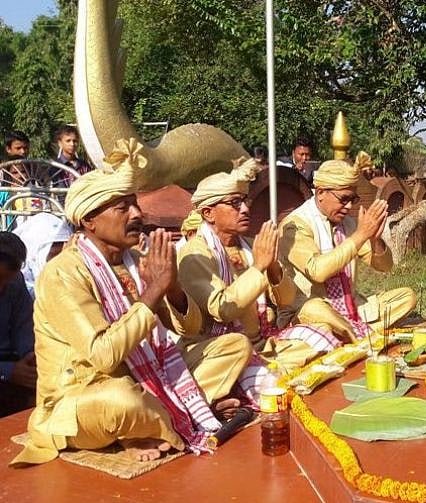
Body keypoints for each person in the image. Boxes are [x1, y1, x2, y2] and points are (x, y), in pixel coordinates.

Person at [11, 138, 253, 466]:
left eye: (134, 204)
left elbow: (190, 328)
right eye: (123, 207)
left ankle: (164, 415)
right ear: (89, 220)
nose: (137, 214)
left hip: (147, 373)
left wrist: (172, 289)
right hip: (85, 392)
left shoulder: (135, 258)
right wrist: (152, 292)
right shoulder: (63, 273)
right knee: (121, 399)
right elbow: (104, 356)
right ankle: (177, 412)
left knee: (232, 345)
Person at [178, 159, 340, 374]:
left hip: (263, 343)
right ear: (208, 213)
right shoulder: (196, 253)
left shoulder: (251, 245)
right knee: (249, 353)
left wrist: (272, 266)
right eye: (234, 203)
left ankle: (269, 369)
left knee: (322, 335)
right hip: (225, 351)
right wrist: (258, 267)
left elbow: (286, 300)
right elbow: (223, 310)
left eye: (244, 201)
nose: (245, 209)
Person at [278, 152, 416, 342]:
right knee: (315, 310)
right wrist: (360, 235)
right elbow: (317, 271)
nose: (349, 206)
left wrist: (375, 240)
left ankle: (347, 331)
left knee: (406, 297)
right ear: (320, 193)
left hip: (351, 307)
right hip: (312, 311)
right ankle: (355, 333)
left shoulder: (348, 224)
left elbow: (385, 266)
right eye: (343, 199)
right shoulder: (295, 224)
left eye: (353, 199)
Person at [0, 232, 35, 417]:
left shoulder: (16, 281)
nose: (2, 288)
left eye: (7, 280)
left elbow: (24, 327)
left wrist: (31, 359)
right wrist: (7, 372)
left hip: (14, 364)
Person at [12, 213, 73, 298]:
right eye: (54, 255)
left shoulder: (73, 276)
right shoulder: (13, 282)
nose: (60, 260)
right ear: (35, 253)